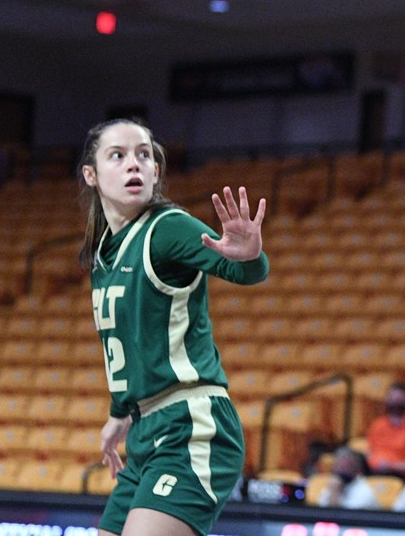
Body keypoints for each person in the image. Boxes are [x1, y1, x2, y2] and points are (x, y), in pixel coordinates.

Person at [80, 118, 270, 536]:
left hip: (191, 423)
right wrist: (120, 414)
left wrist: (248, 255)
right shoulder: (103, 255)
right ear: (90, 175)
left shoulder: (166, 227)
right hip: (146, 431)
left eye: (144, 155)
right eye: (119, 155)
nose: (135, 164)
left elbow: (244, 270)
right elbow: (129, 342)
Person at [365, 383, 405, 477]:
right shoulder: (378, 425)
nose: (395, 404)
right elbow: (370, 453)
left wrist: (392, 466)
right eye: (393, 400)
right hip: (373, 472)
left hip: (401, 476)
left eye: (399, 400)